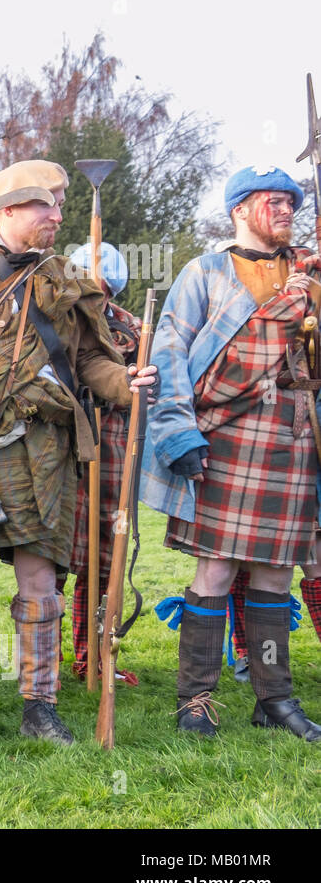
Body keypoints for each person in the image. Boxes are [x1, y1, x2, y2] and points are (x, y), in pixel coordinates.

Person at [0, 159, 155, 754]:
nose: (58, 216)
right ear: (9, 209)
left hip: (48, 448)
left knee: (41, 583)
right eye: (47, 204)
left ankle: (38, 707)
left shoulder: (65, 276)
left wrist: (127, 385)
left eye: (62, 204)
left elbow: (91, 359)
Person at [142, 164, 321, 741]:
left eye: (292, 202)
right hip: (225, 436)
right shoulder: (206, 273)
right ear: (240, 209)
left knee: (273, 572)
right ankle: (195, 700)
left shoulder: (308, 274)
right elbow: (169, 354)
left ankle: (274, 698)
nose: (287, 210)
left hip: (293, 434)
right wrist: (177, 433)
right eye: (274, 201)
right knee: (215, 568)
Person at [63, 241, 141, 686]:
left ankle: (91, 655)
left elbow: (142, 388)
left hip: (112, 447)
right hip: (63, 442)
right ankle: (37, 660)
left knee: (104, 557)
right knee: (53, 555)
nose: (99, 298)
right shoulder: (54, 319)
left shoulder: (130, 328)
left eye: (106, 291)